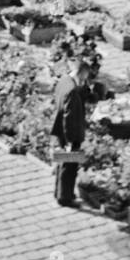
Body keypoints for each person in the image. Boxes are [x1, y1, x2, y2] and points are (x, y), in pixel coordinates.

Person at [51, 58, 91, 206]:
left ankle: (59, 191)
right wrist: (71, 140)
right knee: (70, 166)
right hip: (71, 134)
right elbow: (70, 117)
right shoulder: (73, 91)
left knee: (62, 161)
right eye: (85, 77)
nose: (85, 80)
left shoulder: (64, 80)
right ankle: (65, 198)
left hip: (59, 128)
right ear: (82, 74)